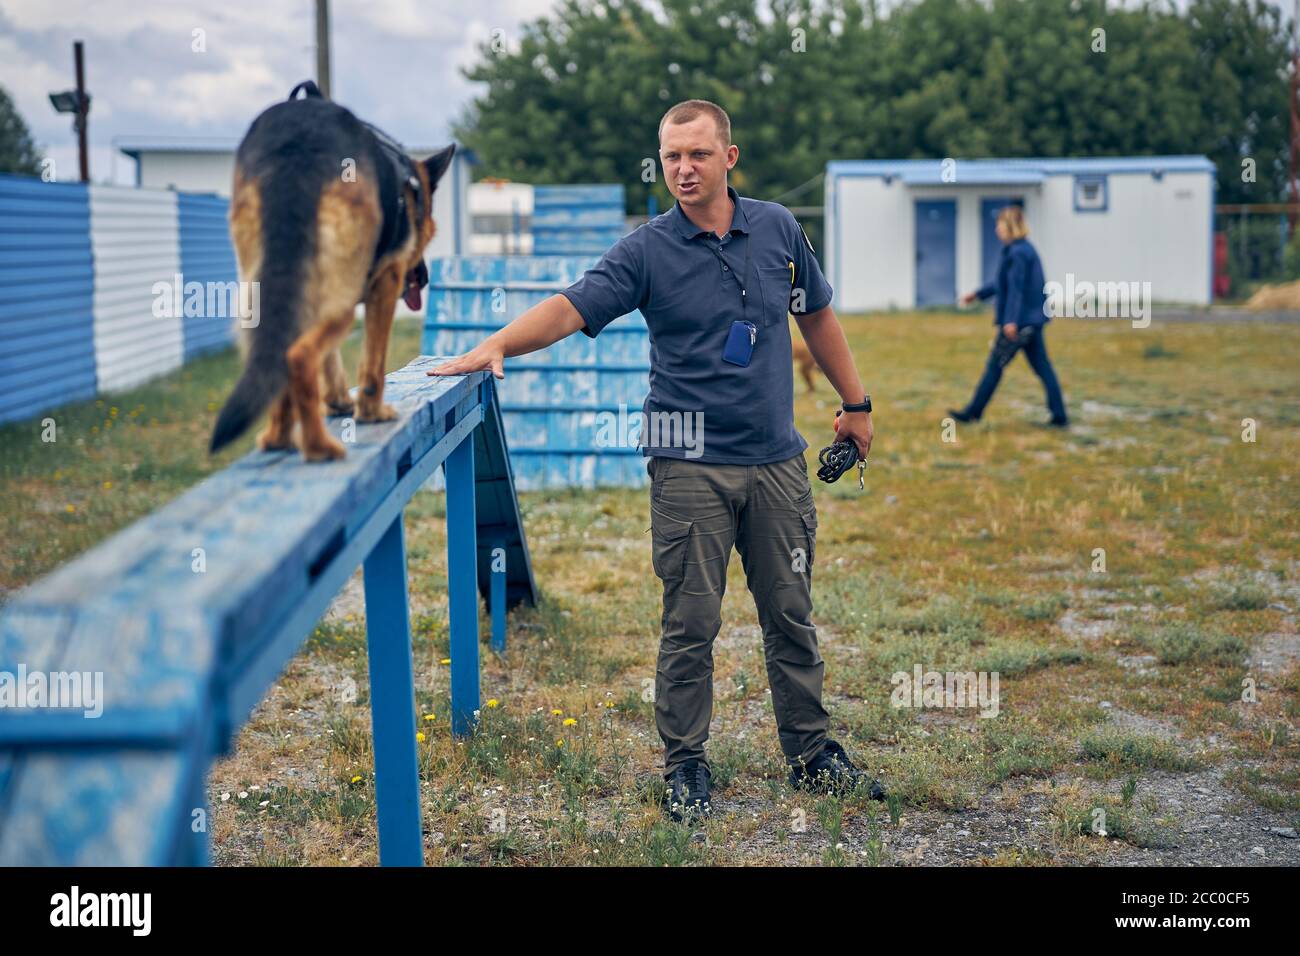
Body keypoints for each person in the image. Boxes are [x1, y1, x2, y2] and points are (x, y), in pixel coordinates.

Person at [428, 99, 886, 821]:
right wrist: (498, 345)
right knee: (690, 624)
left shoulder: (778, 228)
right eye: (672, 156)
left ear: (728, 158)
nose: (683, 168)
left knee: (791, 615)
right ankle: (685, 765)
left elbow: (816, 313)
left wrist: (855, 404)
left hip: (777, 464)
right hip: (688, 466)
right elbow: (573, 305)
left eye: (698, 154)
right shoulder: (646, 250)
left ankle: (812, 754)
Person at [949, 205, 1068, 427]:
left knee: (995, 365)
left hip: (1021, 323)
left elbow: (1017, 289)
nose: (997, 230)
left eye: (1000, 226)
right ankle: (1060, 416)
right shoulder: (1021, 249)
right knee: (1043, 368)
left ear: (1011, 227)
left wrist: (1010, 320)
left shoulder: (1018, 252)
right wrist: (977, 294)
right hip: (1031, 321)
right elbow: (1002, 283)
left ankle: (973, 413)